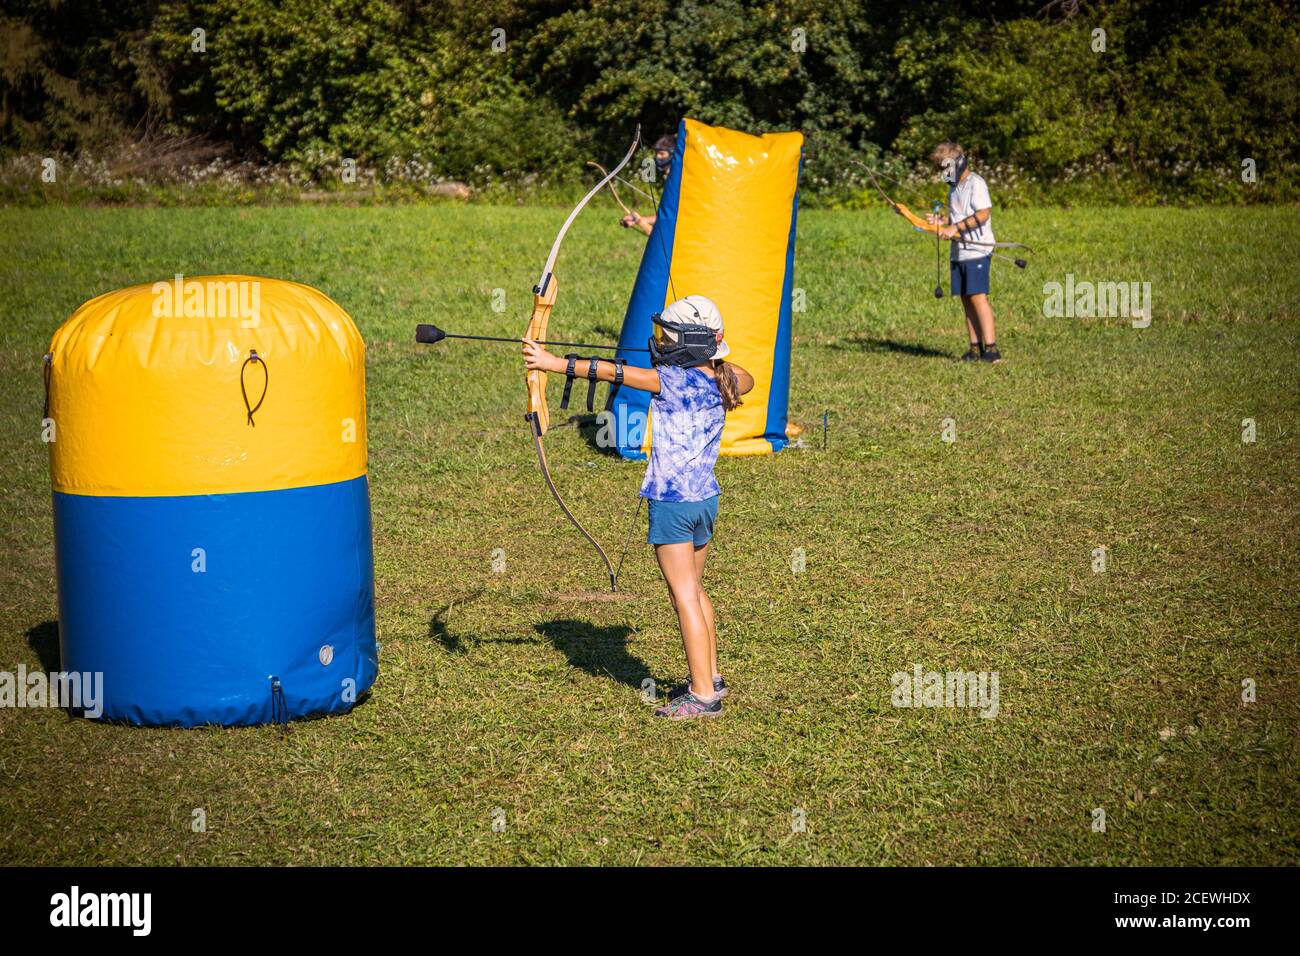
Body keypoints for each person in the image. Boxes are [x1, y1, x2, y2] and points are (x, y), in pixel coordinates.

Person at [522, 295, 753, 720]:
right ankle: (712, 675)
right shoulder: (729, 379)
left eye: (669, 336)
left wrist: (551, 363)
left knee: (683, 595)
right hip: (705, 500)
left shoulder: (669, 380)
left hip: (672, 505)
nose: (661, 342)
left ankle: (703, 696)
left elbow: (612, 371)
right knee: (696, 591)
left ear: (691, 342)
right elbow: (745, 374)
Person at [926, 141, 1004, 364]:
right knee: (965, 299)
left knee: (978, 297)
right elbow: (956, 218)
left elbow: (983, 215)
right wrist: (942, 222)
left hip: (977, 251)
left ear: (958, 163)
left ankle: (991, 349)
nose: (943, 174)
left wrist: (955, 228)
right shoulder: (954, 189)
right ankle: (974, 348)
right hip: (959, 252)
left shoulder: (975, 184)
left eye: (945, 168)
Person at [620, 133, 676, 234]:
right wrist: (642, 220)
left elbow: (671, 226)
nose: (657, 157)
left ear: (672, 154)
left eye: (662, 154)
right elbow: (665, 217)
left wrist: (640, 221)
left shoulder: (679, 180)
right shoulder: (670, 178)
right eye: (656, 153)